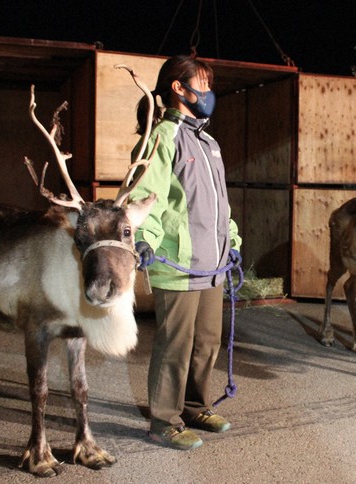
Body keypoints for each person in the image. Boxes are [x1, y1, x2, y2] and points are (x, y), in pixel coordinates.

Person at [129, 55, 242, 450]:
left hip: (212, 265)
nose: (209, 92)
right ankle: (163, 419)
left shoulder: (209, 142)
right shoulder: (163, 137)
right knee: (175, 344)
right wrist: (145, 238)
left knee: (207, 341)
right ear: (179, 87)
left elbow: (219, 204)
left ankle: (194, 406)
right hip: (176, 263)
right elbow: (148, 198)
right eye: (203, 83)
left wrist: (232, 242)